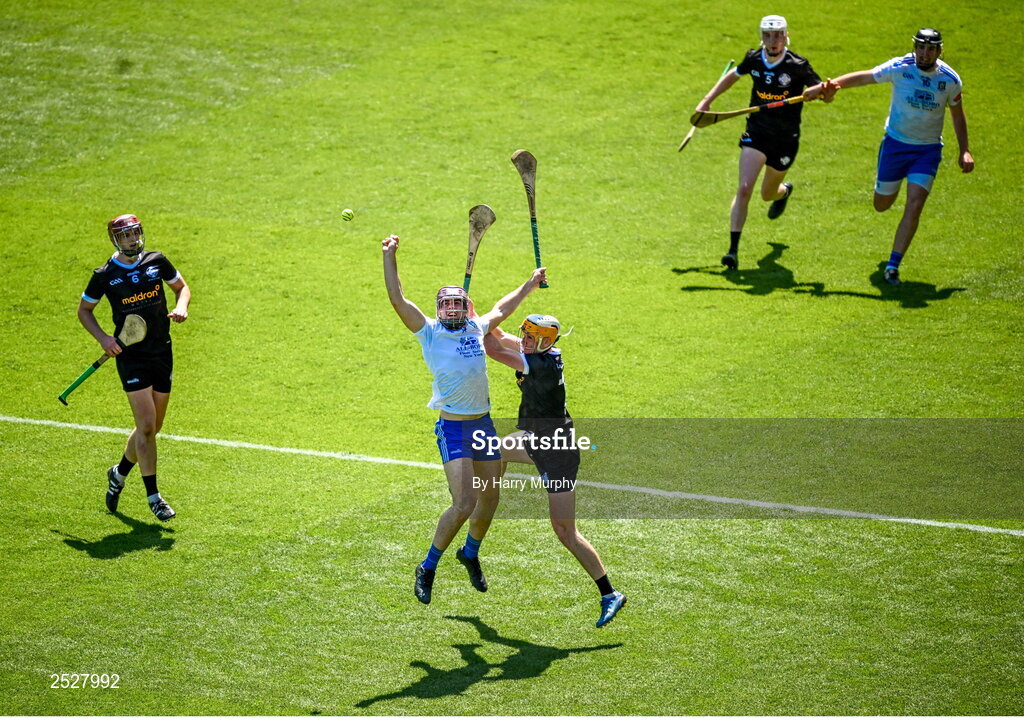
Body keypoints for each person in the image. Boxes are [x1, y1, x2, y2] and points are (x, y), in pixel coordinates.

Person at [382, 233, 546, 605]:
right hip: (454, 428)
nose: (452, 310)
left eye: (458, 304)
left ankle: (470, 552)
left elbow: (502, 310)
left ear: (464, 306)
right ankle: (427, 566)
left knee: (491, 499)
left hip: (483, 425)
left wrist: (530, 284)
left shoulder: (475, 327)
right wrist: (390, 257)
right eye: (447, 305)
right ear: (438, 309)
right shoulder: (428, 333)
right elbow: (397, 298)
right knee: (464, 504)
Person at [483, 315, 626, 628]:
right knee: (493, 449)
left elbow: (492, 350)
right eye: (525, 334)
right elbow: (500, 335)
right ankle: (488, 500)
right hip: (537, 439)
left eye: (530, 337)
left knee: (565, 532)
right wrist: (476, 314)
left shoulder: (540, 365)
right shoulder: (539, 353)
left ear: (546, 342)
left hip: (557, 455)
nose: (523, 339)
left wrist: (471, 331)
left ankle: (609, 593)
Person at [816, 28, 974, 285]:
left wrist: (964, 149)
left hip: (927, 150)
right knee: (882, 205)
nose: (925, 53)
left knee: (915, 204)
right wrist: (834, 85)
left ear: (939, 50)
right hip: (895, 146)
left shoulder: (950, 80)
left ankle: (893, 265)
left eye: (931, 48)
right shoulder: (900, 67)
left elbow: (957, 114)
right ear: (915, 47)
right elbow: (866, 77)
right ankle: (887, 189)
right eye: (921, 47)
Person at [77, 214, 191, 521]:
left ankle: (118, 473)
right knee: (146, 426)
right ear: (115, 239)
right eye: (125, 236)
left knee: (154, 427)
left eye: (135, 234)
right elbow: (85, 310)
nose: (132, 239)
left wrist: (180, 306)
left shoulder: (157, 261)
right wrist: (103, 339)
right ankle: (154, 496)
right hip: (131, 357)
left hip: (161, 352)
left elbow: (181, 288)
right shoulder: (104, 274)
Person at [694, 15, 828, 270]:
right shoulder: (755, 58)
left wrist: (822, 92)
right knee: (744, 188)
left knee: (767, 194)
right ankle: (732, 252)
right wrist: (706, 101)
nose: (773, 40)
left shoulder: (797, 65)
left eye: (778, 35)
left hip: (786, 139)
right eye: (768, 35)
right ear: (762, 37)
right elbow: (734, 75)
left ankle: (784, 192)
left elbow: (822, 90)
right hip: (757, 132)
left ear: (786, 35)